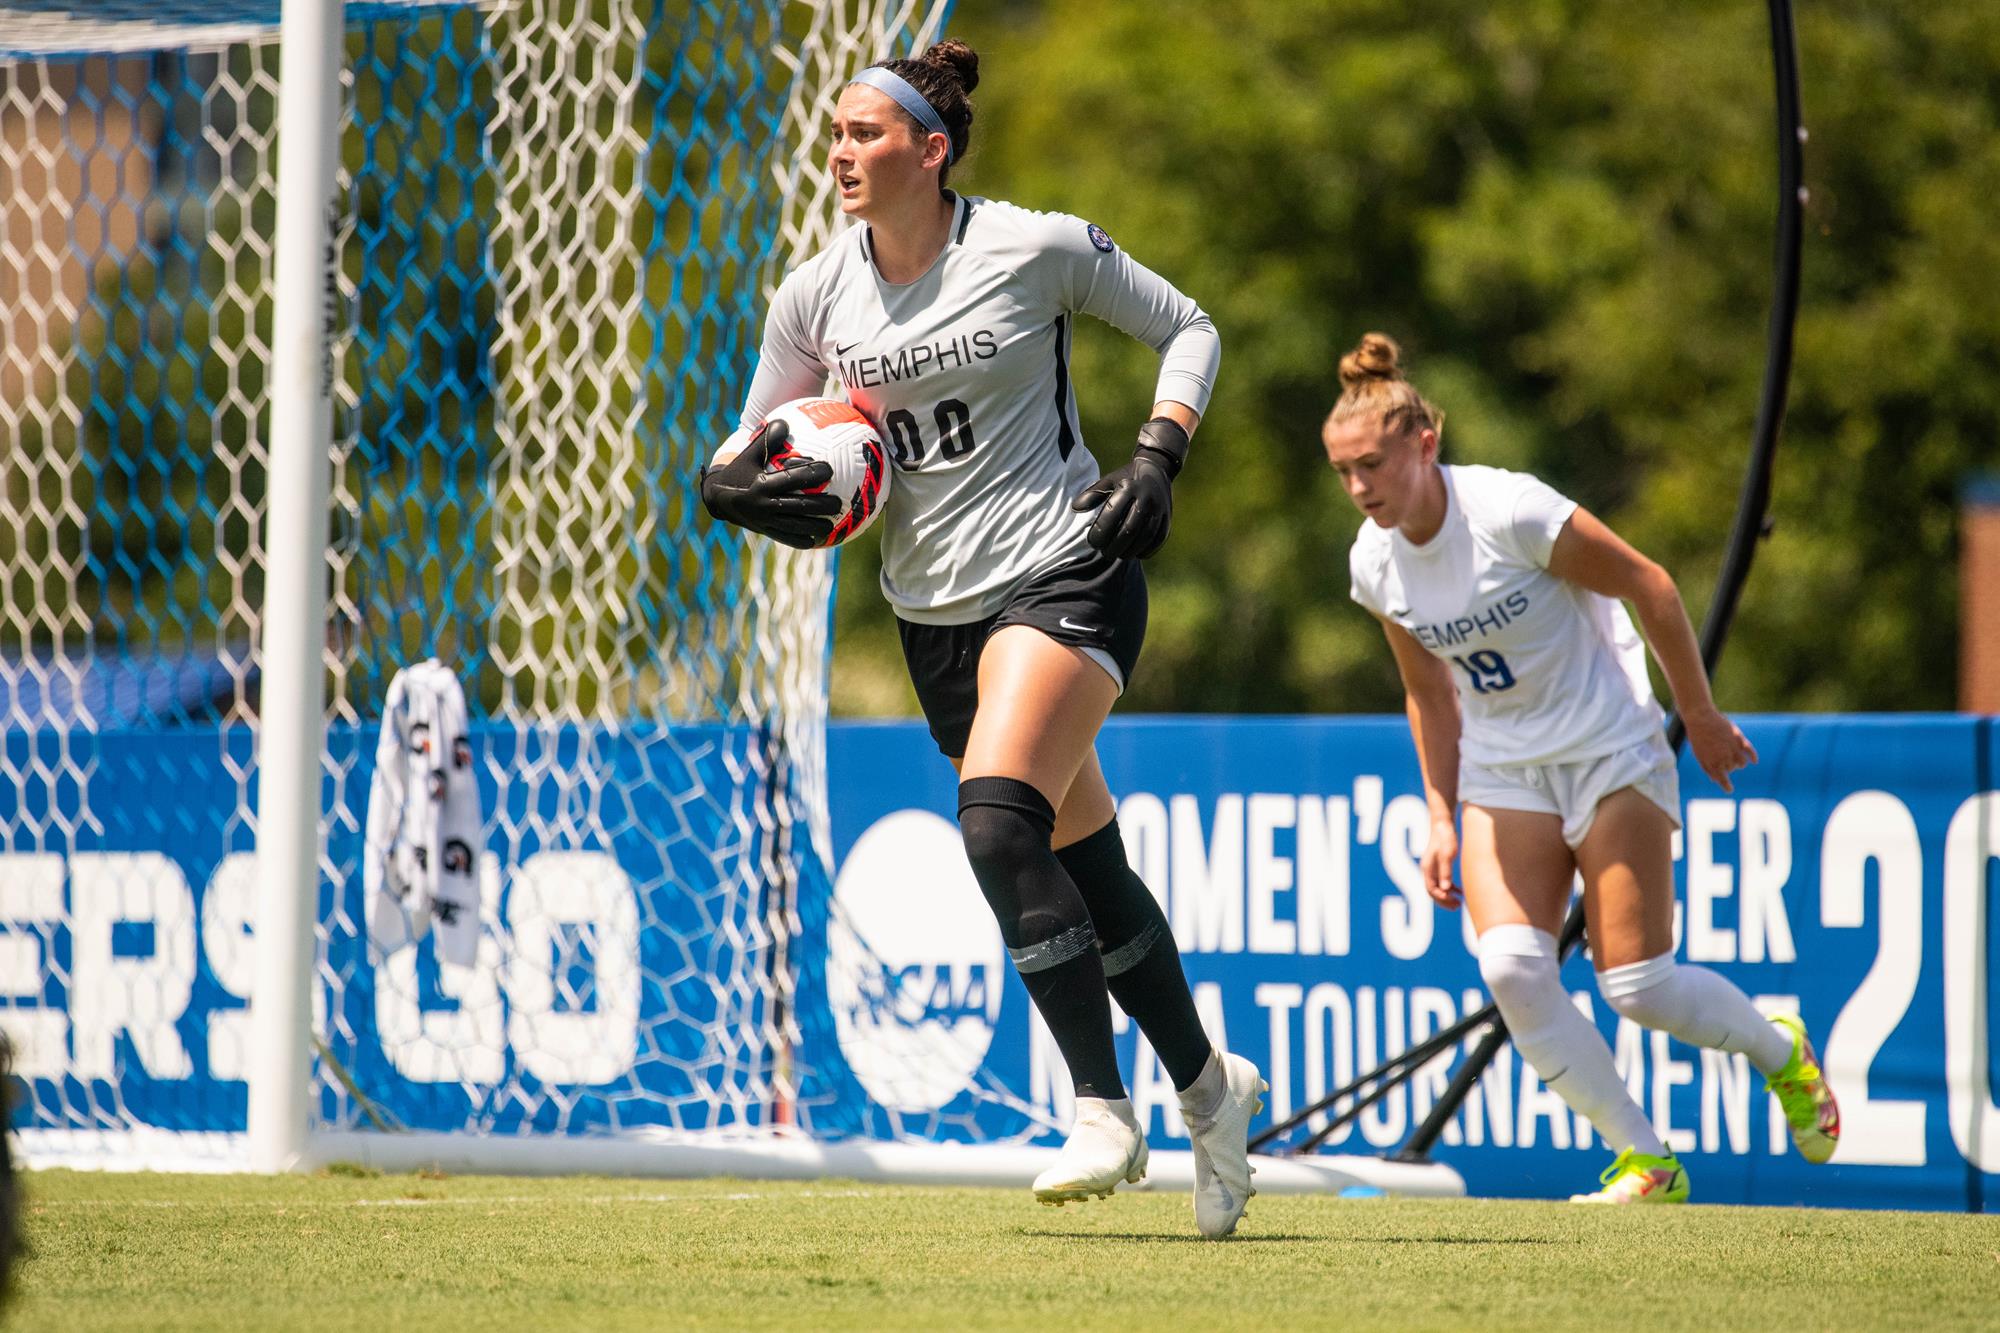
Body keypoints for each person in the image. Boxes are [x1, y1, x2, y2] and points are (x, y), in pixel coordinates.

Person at [701, 40, 1265, 1238]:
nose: (840, 153)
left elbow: (1191, 328)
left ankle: (1100, 1108)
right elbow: (750, 441)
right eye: (837, 135)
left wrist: (1159, 453)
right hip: (933, 617)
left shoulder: (1031, 245)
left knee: (997, 817)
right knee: (1087, 869)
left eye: (865, 134)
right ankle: (1213, 1094)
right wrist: (735, 487)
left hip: (1066, 570)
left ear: (931, 149)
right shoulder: (814, 294)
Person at [1327, 332, 1838, 1203]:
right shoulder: (1374, 565)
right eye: (1343, 472)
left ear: (1425, 443)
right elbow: (1428, 694)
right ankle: (1646, 1159)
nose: (1359, 488)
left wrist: (1701, 716)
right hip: (1503, 772)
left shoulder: (1512, 513)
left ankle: (1778, 1049)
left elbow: (1653, 587)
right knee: (1513, 970)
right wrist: (1442, 813)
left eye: (1372, 464)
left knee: (1637, 985)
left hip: (1609, 748)